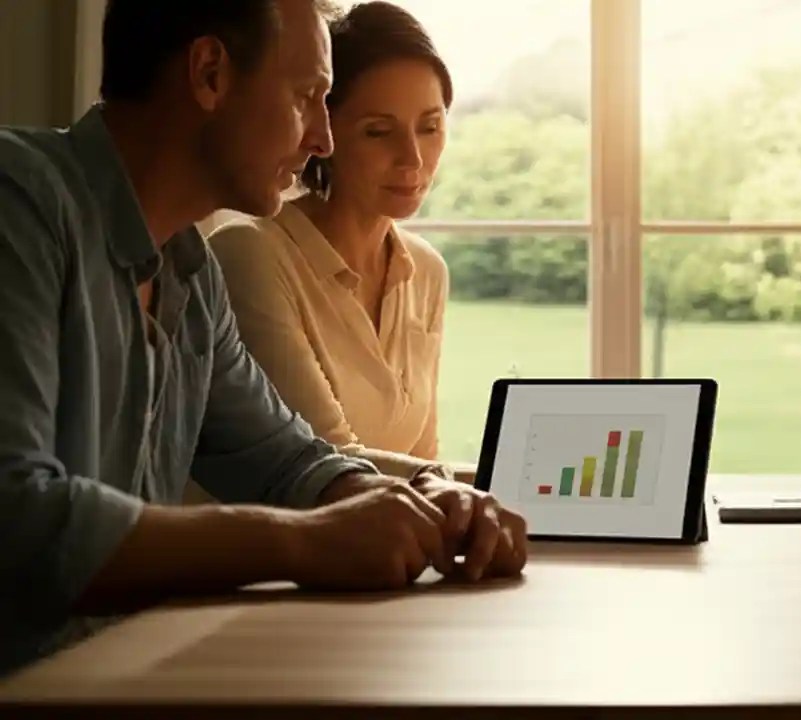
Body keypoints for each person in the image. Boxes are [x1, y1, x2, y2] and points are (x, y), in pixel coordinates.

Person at [0, 0, 526, 675]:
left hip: (116, 684)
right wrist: (300, 543)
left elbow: (288, 462)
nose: (323, 141)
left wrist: (426, 505)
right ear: (210, 74)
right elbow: (17, 517)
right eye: (309, 96)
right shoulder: (21, 205)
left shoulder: (190, 273)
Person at [209, 2, 454, 480]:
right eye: (378, 132)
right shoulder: (252, 252)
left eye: (430, 126)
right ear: (324, 131)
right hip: (271, 548)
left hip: (382, 546)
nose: (413, 159)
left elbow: (426, 460)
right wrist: (491, 491)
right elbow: (326, 463)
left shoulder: (425, 270)